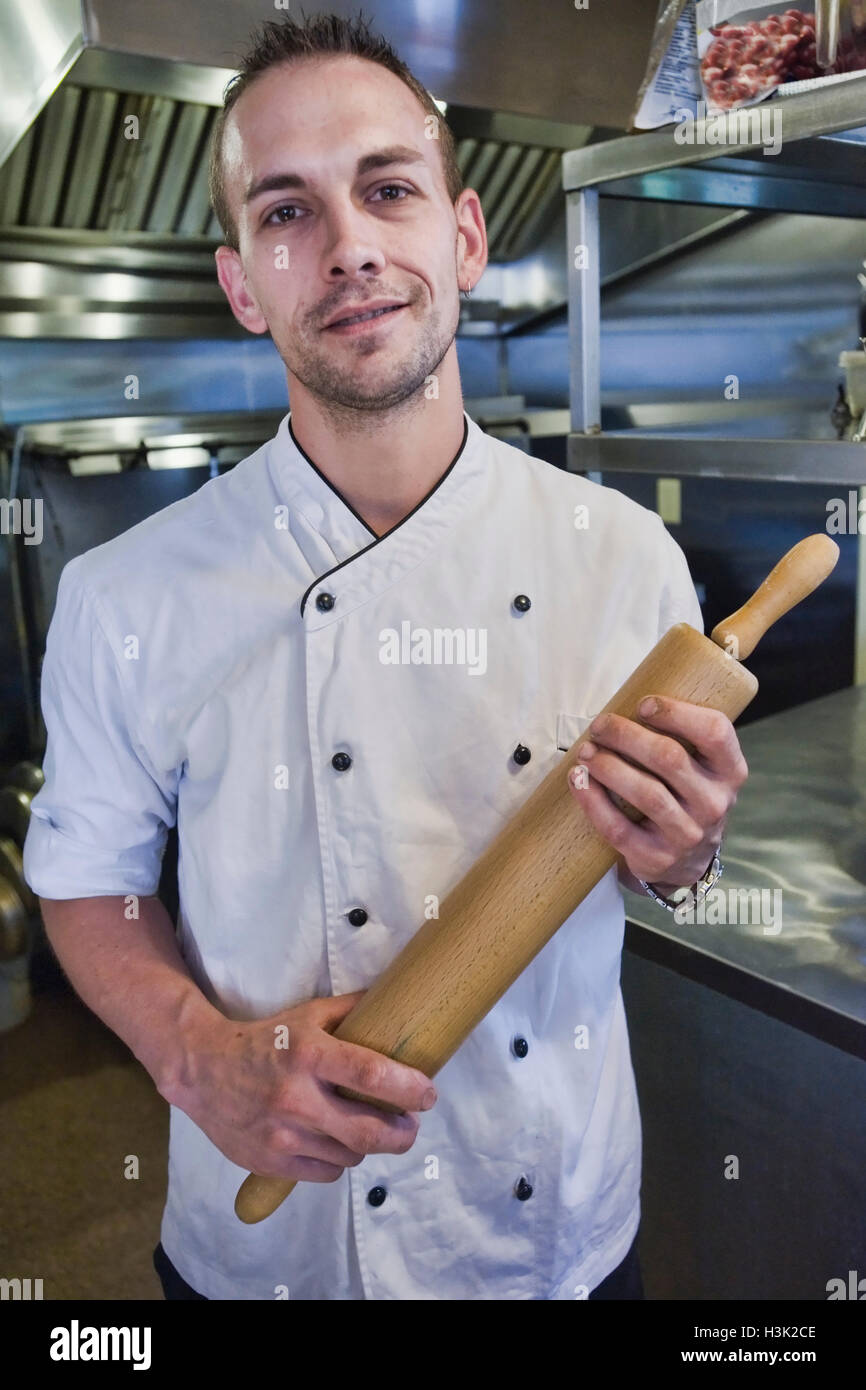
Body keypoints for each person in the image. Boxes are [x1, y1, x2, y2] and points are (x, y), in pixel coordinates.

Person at [23, 11, 747, 1301]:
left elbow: (668, 870)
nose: (350, 248)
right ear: (244, 283)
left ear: (462, 235)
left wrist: (688, 857)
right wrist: (196, 1059)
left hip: (552, 1244)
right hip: (272, 1250)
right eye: (287, 213)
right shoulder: (121, 593)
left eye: (388, 189)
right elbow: (90, 881)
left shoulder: (624, 559)